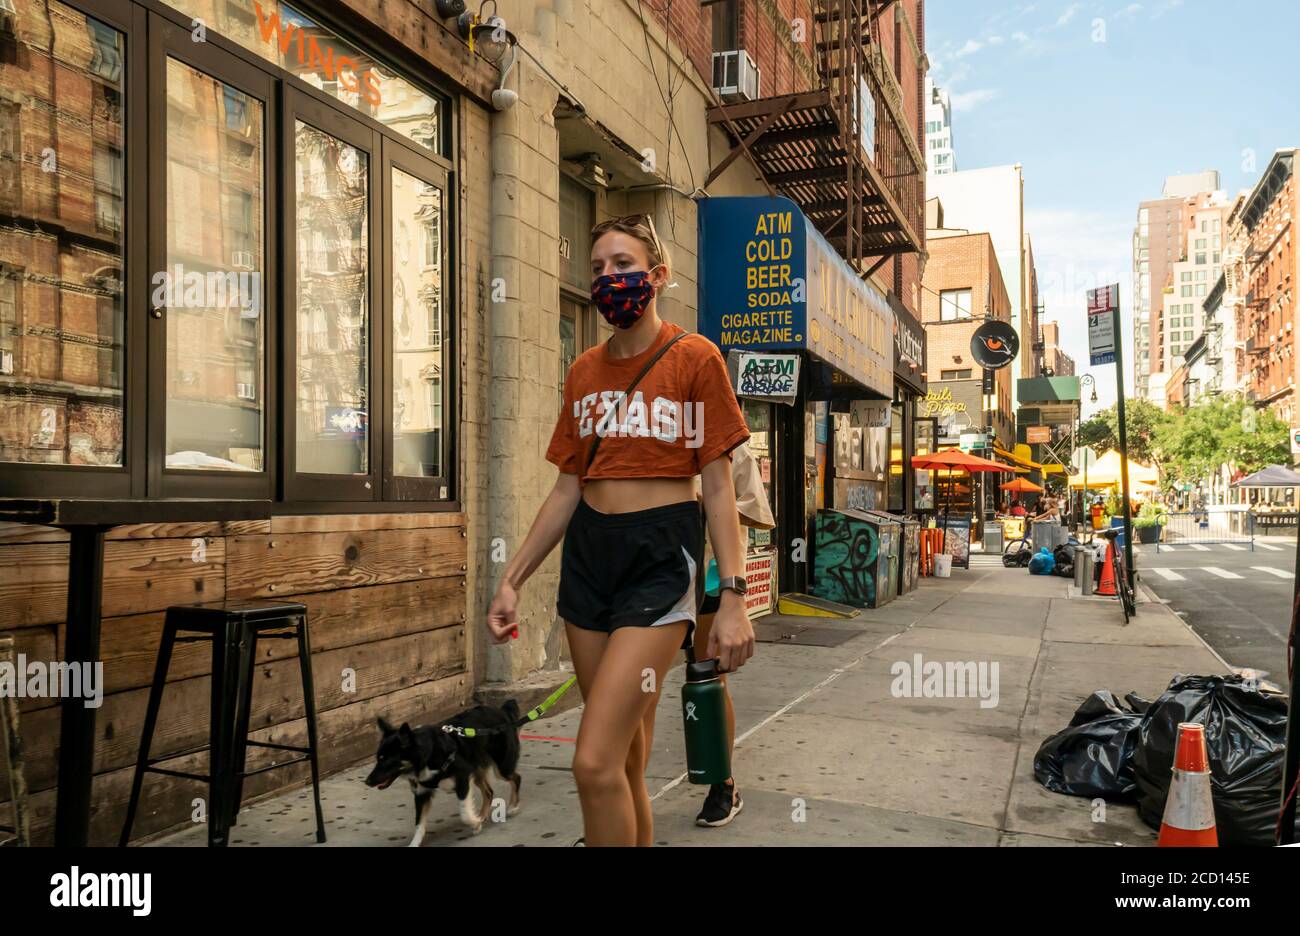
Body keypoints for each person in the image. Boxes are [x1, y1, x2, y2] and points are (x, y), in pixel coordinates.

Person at [486, 214, 754, 847]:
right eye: (599, 268)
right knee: (626, 760)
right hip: (589, 558)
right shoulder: (582, 370)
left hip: (660, 557)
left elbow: (717, 487)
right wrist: (511, 580)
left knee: (593, 762)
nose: (610, 278)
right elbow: (565, 488)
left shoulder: (695, 358)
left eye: (625, 266)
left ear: (656, 277)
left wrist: (735, 598)